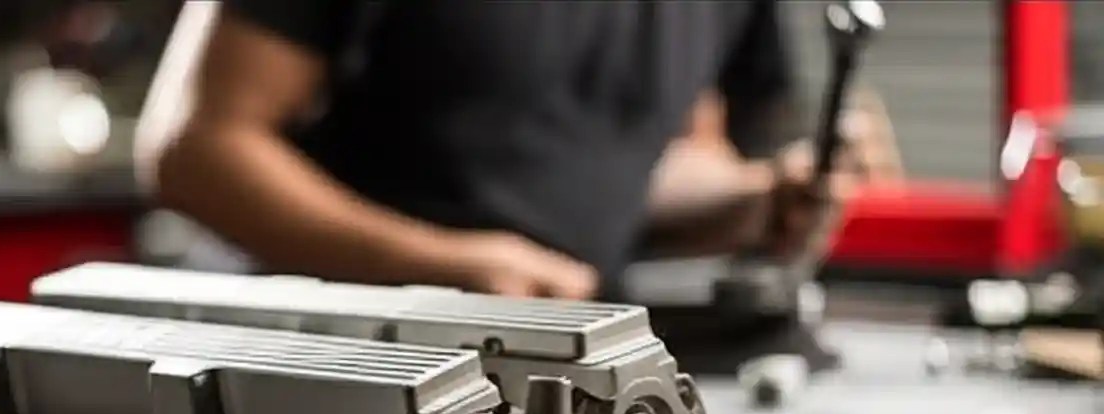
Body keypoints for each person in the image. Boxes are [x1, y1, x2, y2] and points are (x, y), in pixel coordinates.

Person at [139, 0, 900, 301]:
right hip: (323, 377)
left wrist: (753, 200)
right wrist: (440, 265)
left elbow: (614, 164)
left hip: (560, 380)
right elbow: (197, 146)